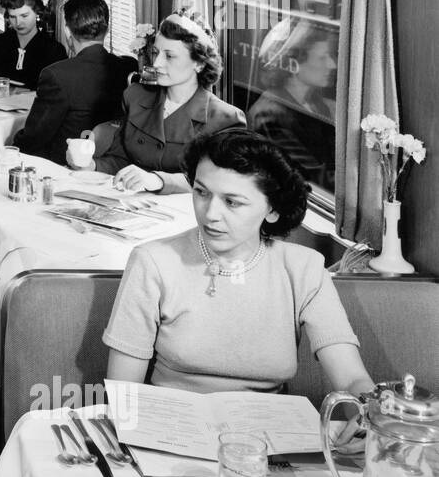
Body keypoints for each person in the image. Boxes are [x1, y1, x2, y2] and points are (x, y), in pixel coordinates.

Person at [103, 127, 372, 396]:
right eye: (201, 192)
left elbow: (351, 380)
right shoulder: (152, 261)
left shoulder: (304, 270)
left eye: (232, 202)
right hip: (174, 427)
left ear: (273, 210)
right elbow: (123, 391)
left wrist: (370, 411)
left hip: (268, 429)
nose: (210, 214)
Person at [85, 12, 244, 193]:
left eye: (169, 56)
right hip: (134, 209)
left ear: (199, 64)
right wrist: (90, 166)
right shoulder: (135, 97)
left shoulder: (225, 119)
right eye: (156, 53)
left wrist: (159, 180)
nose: (157, 63)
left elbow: (218, 182)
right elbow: (120, 160)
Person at [14, 0, 135, 165]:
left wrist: (12, 143)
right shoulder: (129, 66)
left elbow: (34, 137)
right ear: (106, 31)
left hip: (65, 165)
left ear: (67, 32)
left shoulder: (56, 75)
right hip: (112, 163)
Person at [248, 18, 338, 191]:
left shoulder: (317, 104)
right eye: (322, 57)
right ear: (293, 63)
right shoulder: (269, 116)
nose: (332, 64)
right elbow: (312, 178)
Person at [0, 0, 66, 90]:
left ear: (37, 13)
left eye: (24, 16)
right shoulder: (1, 41)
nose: (18, 22)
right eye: (13, 17)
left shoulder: (54, 49)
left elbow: (56, 89)